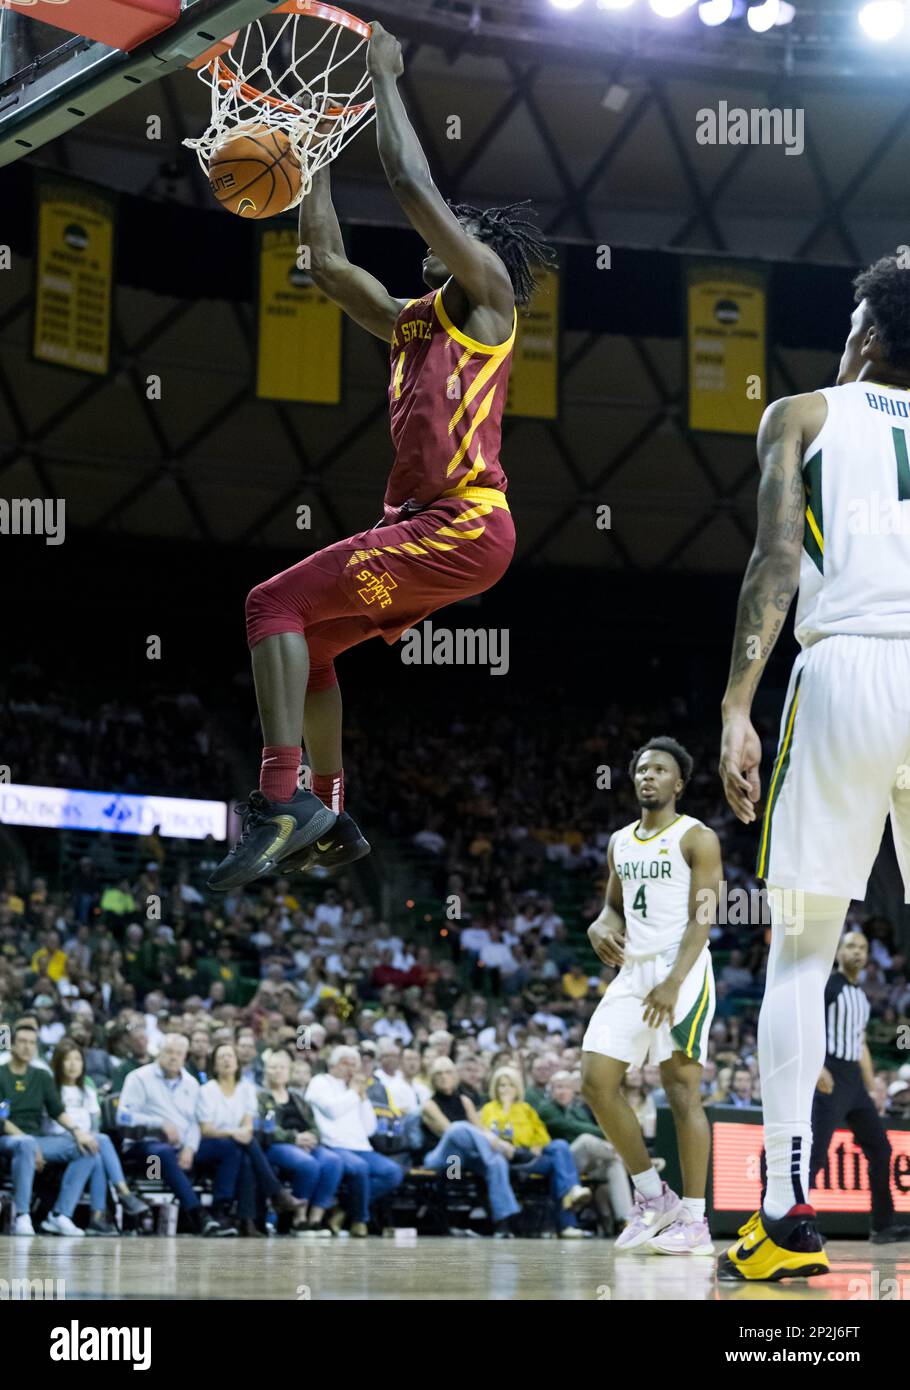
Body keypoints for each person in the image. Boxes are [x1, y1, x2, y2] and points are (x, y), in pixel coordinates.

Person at [206, 21, 555, 894]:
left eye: (458, 229)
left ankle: (279, 799)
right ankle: (330, 812)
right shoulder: (411, 319)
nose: (440, 235)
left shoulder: (488, 301)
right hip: (440, 532)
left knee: (269, 603)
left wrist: (384, 77)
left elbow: (407, 178)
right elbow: (324, 264)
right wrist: (316, 149)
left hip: (465, 523)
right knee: (311, 644)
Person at [718, 255, 910, 1280]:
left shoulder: (801, 412)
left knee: (798, 950)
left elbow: (775, 563)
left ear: (869, 337)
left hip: (842, 673)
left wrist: (735, 704)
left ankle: (784, 1218)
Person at [581, 737, 723, 1256]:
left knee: (681, 1089)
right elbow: (612, 909)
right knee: (595, 1080)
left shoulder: (697, 837)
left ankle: (695, 1218)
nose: (648, 776)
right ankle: (650, 1196)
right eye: (642, 769)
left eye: (660, 770)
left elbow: (705, 913)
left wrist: (674, 980)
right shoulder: (620, 840)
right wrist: (600, 926)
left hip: (680, 969)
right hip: (633, 971)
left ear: (678, 783)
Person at [810, 932, 910, 1243]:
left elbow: (861, 1042)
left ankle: (883, 1225)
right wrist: (817, 1066)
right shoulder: (828, 986)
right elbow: (807, 1023)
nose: (858, 952)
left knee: (880, 1148)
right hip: (830, 1073)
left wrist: (872, 1085)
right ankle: (796, 1222)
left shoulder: (861, 996)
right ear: (838, 951)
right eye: (851, 946)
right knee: (815, 1152)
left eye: (863, 948)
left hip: (854, 1079)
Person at [118, 1033, 238, 1236]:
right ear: (159, 1053)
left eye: (179, 1053)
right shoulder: (138, 1078)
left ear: (185, 1057)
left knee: (229, 1147)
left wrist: (190, 1148)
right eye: (169, 1052)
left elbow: (194, 1123)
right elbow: (123, 1118)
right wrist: (158, 1125)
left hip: (180, 1148)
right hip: (146, 1154)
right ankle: (198, 1215)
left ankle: (220, 1212)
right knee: (162, 1152)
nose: (173, 1057)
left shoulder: (191, 1084)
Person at [0, 1021, 97, 1236]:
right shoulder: (1, 1074)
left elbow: (57, 1110)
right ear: (12, 1045)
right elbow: (0, 1119)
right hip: (7, 1137)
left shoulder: (42, 1076)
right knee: (25, 1144)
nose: (27, 1047)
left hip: (36, 1139)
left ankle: (61, 1214)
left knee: (88, 1148)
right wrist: (30, 1142)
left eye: (32, 1043)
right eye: (22, 1042)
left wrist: (79, 1132)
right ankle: (22, 1215)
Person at [198, 1042, 300, 1237]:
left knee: (245, 1156)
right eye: (221, 1057)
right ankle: (275, 1194)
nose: (226, 1060)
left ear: (237, 1063)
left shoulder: (246, 1089)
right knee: (242, 1145)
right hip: (210, 1145)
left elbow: (248, 1124)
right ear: (214, 1065)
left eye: (230, 1056)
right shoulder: (207, 1090)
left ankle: (245, 1220)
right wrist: (234, 1133)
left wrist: (240, 1133)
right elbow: (206, 1129)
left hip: (237, 1145)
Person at [48, 1039, 149, 1236]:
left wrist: (88, 1136)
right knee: (100, 1141)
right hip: (58, 1139)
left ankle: (97, 1219)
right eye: (67, 1060)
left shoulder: (87, 1088)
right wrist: (84, 1136)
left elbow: (94, 1122)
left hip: (85, 1142)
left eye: (77, 1059)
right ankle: (124, 1194)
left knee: (96, 1152)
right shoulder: (51, 1087)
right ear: (58, 1063)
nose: (73, 1064)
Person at [479, 1066, 590, 1238]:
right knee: (557, 1167)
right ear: (495, 1087)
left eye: (510, 1085)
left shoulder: (526, 1109)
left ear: (517, 1088)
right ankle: (567, 1222)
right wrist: (506, 1108)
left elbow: (542, 1135)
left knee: (559, 1146)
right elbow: (495, 1136)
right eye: (502, 1085)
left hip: (531, 1157)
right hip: (508, 1160)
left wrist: (538, 1145)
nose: (506, 1089)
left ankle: (572, 1192)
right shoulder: (489, 1109)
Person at [305, 1046, 404, 1236]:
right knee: (360, 1168)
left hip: (361, 1147)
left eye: (353, 1064)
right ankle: (359, 1221)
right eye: (345, 1063)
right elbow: (332, 1112)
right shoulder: (320, 1082)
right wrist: (353, 1092)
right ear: (332, 1063)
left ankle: (343, 1209)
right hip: (333, 1145)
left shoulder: (355, 1090)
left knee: (393, 1172)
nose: (350, 1068)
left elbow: (369, 1129)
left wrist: (364, 1098)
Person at [419, 1055, 520, 1237]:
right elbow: (450, 1133)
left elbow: (480, 1129)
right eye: (438, 1073)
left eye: (448, 1072)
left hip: (463, 1157)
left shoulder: (465, 1101)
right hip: (443, 1158)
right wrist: (493, 1142)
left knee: (497, 1162)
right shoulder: (429, 1104)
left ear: (455, 1075)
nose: (443, 1077)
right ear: (432, 1078)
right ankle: (497, 1150)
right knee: (458, 1128)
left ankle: (502, 1224)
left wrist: (485, 1141)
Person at [257, 1049, 342, 1237]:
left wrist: (311, 1137)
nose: (278, 1071)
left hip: (305, 1144)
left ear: (288, 1071)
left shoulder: (298, 1099)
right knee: (308, 1164)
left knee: (333, 1161)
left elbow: (314, 1126)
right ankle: (299, 1218)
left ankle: (316, 1219)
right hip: (276, 1145)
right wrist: (294, 1138)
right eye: (273, 1067)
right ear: (266, 1071)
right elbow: (266, 1127)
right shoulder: (261, 1097)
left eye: (282, 1067)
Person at [534, 1071, 633, 1233]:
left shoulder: (578, 1109)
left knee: (613, 1164)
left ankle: (626, 1220)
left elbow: (590, 1128)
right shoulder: (546, 1108)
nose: (562, 1091)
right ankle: (634, 1161)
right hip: (561, 1162)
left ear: (573, 1090)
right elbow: (572, 1127)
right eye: (558, 1087)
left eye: (566, 1087)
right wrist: (605, 1133)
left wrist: (601, 1135)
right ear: (551, 1090)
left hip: (582, 1163)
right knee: (586, 1139)